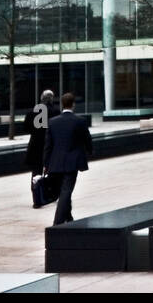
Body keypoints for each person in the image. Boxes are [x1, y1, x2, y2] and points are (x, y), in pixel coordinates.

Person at [43, 91, 93, 225]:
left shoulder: (53, 122)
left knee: (63, 191)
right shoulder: (80, 121)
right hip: (72, 162)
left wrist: (46, 164)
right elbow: (87, 140)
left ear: (61, 105)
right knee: (66, 192)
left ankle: (68, 217)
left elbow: (48, 145)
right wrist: (89, 152)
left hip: (56, 163)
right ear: (73, 105)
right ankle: (57, 223)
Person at [23, 90, 56, 207]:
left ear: (41, 98)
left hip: (35, 146)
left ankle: (36, 199)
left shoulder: (33, 111)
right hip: (50, 146)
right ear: (52, 99)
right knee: (51, 171)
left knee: (35, 173)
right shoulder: (55, 111)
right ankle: (50, 195)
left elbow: (26, 128)